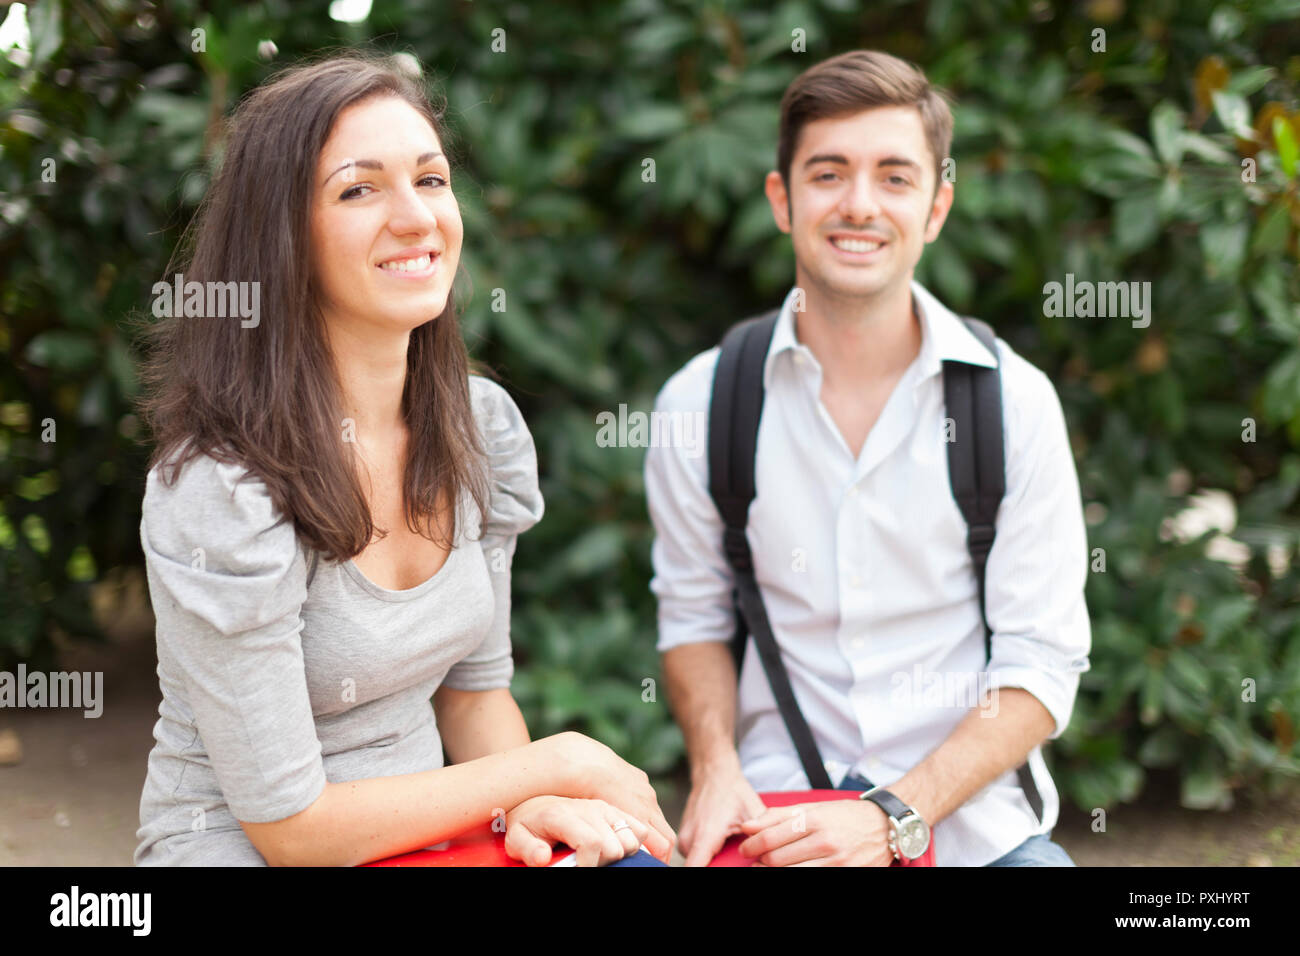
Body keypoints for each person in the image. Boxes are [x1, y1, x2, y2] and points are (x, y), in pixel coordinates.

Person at [132, 52, 673, 867]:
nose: (417, 217)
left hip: (427, 847)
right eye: (359, 188)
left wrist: (533, 803)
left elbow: (475, 696)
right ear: (281, 237)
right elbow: (292, 831)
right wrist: (551, 765)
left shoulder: (478, 428)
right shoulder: (222, 489)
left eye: (430, 179)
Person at [645, 50, 1090, 867]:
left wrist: (894, 814)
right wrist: (714, 768)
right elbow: (693, 616)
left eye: (894, 176)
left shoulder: (1013, 405)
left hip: (973, 829)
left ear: (936, 207)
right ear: (782, 199)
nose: (859, 205)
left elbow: (1042, 661)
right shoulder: (699, 404)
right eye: (828, 173)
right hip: (778, 816)